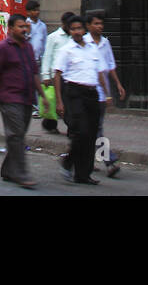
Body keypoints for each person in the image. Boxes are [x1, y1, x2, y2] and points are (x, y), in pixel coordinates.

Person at [0, 13, 45, 188]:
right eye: (20, 26)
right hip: (9, 99)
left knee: (18, 136)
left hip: (27, 99)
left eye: (25, 26)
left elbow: (34, 74)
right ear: (10, 29)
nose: (24, 29)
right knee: (16, 135)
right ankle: (21, 173)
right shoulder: (2, 48)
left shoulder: (28, 48)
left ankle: (8, 169)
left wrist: (43, 97)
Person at [53, 14, 109, 185]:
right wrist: (59, 101)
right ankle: (68, 161)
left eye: (79, 28)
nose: (77, 32)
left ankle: (83, 174)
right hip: (74, 93)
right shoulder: (66, 50)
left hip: (92, 93)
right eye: (73, 29)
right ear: (69, 31)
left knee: (92, 134)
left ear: (84, 29)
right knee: (81, 132)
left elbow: (99, 73)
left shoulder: (92, 48)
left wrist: (106, 94)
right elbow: (57, 75)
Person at [87, 11, 127, 178]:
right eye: (96, 24)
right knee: (95, 129)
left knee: (95, 129)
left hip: (102, 93)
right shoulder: (84, 43)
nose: (99, 27)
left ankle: (77, 160)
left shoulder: (105, 43)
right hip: (88, 91)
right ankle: (109, 161)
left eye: (101, 24)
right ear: (88, 26)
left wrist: (117, 84)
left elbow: (110, 66)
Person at [38, 12, 75, 133]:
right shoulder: (53, 37)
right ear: (64, 24)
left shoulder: (75, 37)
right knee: (54, 101)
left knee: (68, 103)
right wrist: (46, 76)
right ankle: (50, 123)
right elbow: (47, 56)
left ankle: (71, 127)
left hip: (71, 76)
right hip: (56, 76)